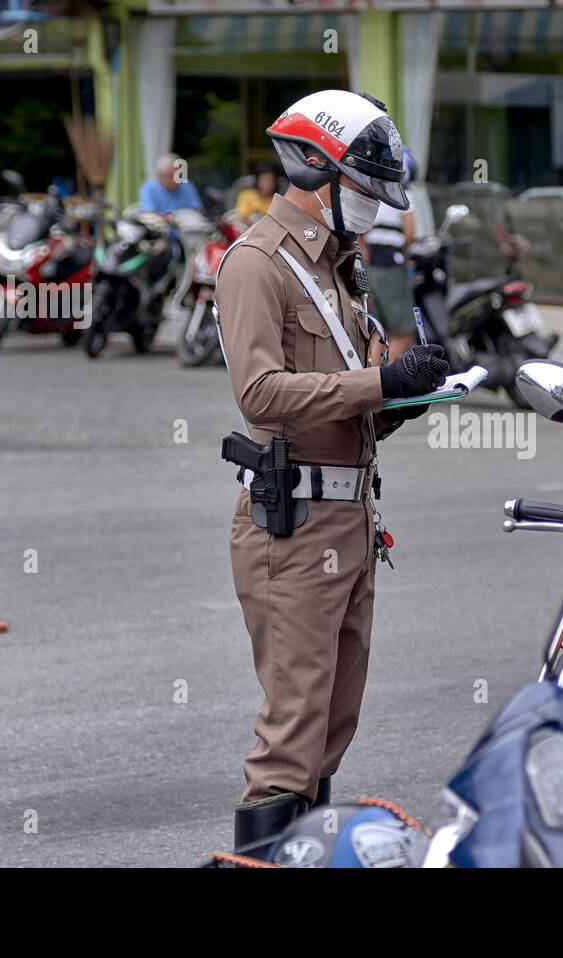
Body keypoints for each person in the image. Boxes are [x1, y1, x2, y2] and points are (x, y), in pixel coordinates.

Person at [215, 89, 448, 859]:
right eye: (365, 191)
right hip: (293, 524)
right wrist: (382, 384)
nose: (375, 209)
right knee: (291, 734)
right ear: (318, 173)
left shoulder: (343, 265)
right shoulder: (257, 264)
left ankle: (299, 856)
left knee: (330, 727)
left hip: (349, 520)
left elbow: (343, 403)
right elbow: (261, 393)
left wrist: (405, 398)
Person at [361, 147, 419, 362]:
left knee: (379, 331)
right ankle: (386, 381)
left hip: (372, 265)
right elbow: (411, 233)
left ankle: (371, 381)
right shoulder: (403, 195)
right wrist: (403, 254)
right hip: (392, 267)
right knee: (404, 333)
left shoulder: (374, 193)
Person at [138, 153, 203, 216]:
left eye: (179, 175)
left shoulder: (187, 186)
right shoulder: (148, 188)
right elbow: (149, 215)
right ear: (160, 176)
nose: (176, 179)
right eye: (170, 176)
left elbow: (198, 212)